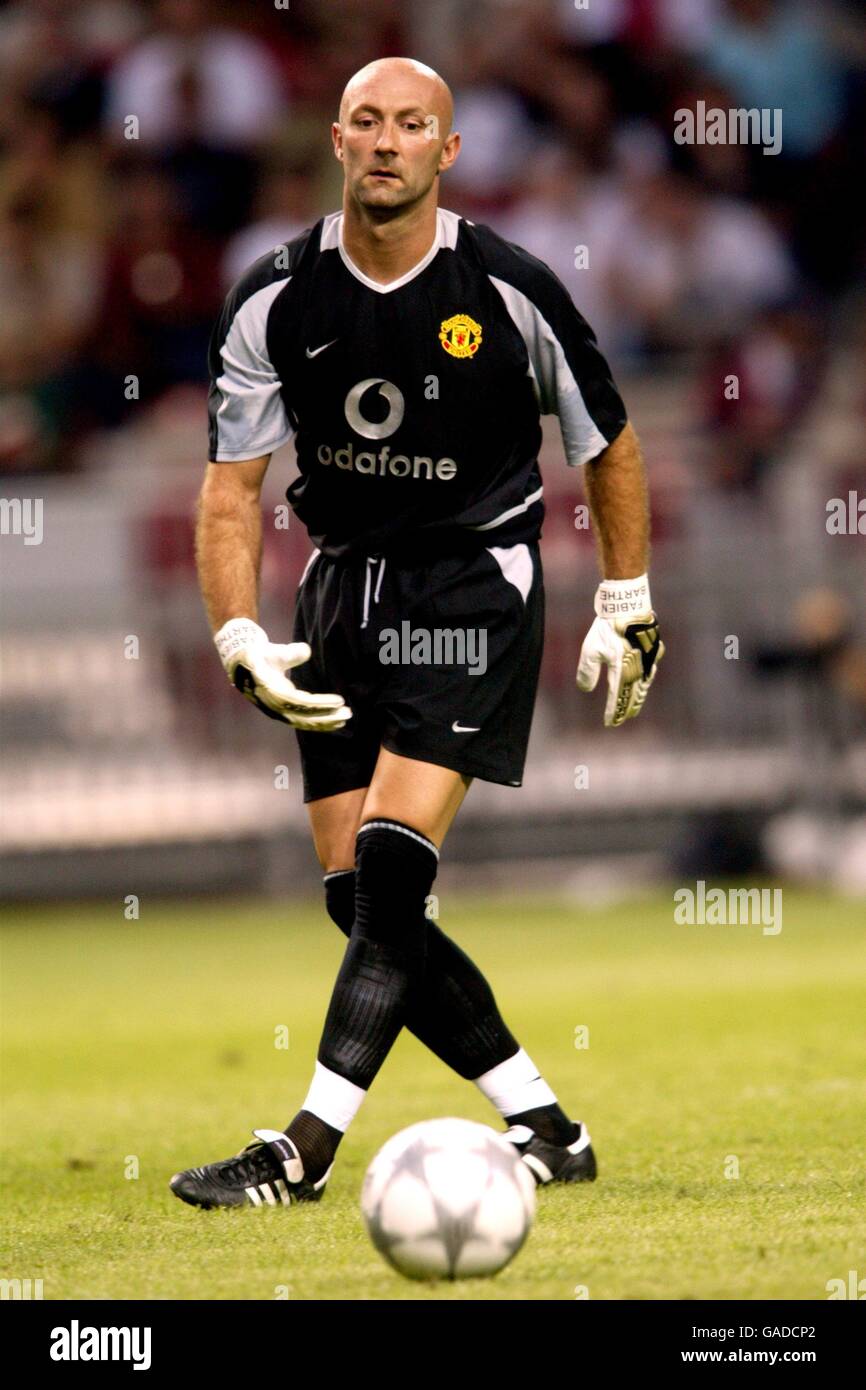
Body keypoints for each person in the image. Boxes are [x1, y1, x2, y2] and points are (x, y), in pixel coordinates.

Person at [170, 57, 663, 1210]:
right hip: (338, 590)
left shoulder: (508, 288)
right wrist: (236, 627)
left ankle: (301, 1147)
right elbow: (231, 489)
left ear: (448, 154)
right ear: (334, 140)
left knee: (391, 867)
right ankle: (546, 1123)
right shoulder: (273, 298)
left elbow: (609, 441)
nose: (386, 142)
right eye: (366, 122)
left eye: (412, 126)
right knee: (359, 903)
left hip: (469, 592)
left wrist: (626, 598)